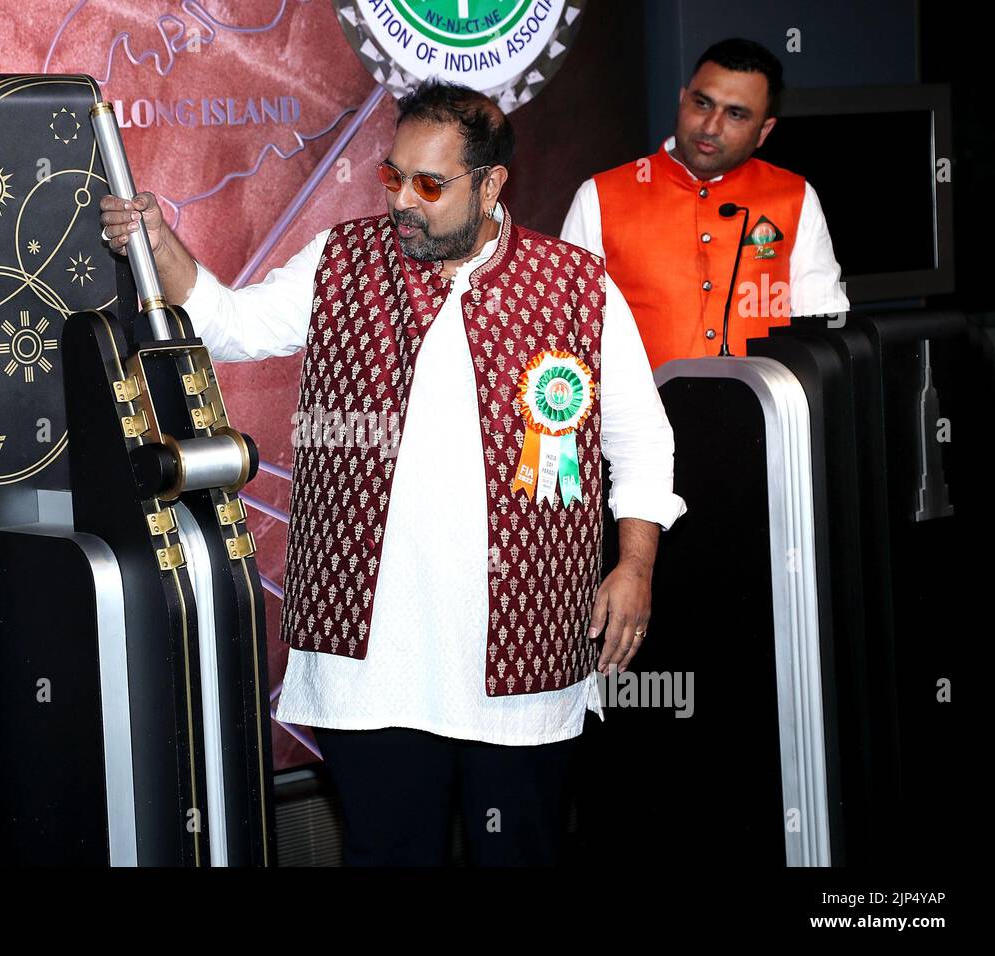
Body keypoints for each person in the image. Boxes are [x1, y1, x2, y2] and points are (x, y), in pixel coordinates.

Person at [101, 78, 686, 866]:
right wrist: (159, 241)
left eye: (430, 185)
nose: (403, 200)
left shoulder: (575, 286)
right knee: (387, 853)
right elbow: (231, 326)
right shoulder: (342, 260)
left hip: (523, 651)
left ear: (491, 184)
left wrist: (635, 565)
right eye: (393, 176)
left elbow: (641, 438)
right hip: (372, 658)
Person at [561, 38, 850, 368]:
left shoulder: (793, 196)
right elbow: (570, 329)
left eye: (736, 114)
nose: (711, 126)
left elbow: (823, 323)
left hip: (767, 399)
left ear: (763, 131)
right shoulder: (599, 196)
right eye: (702, 104)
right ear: (682, 100)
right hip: (642, 401)